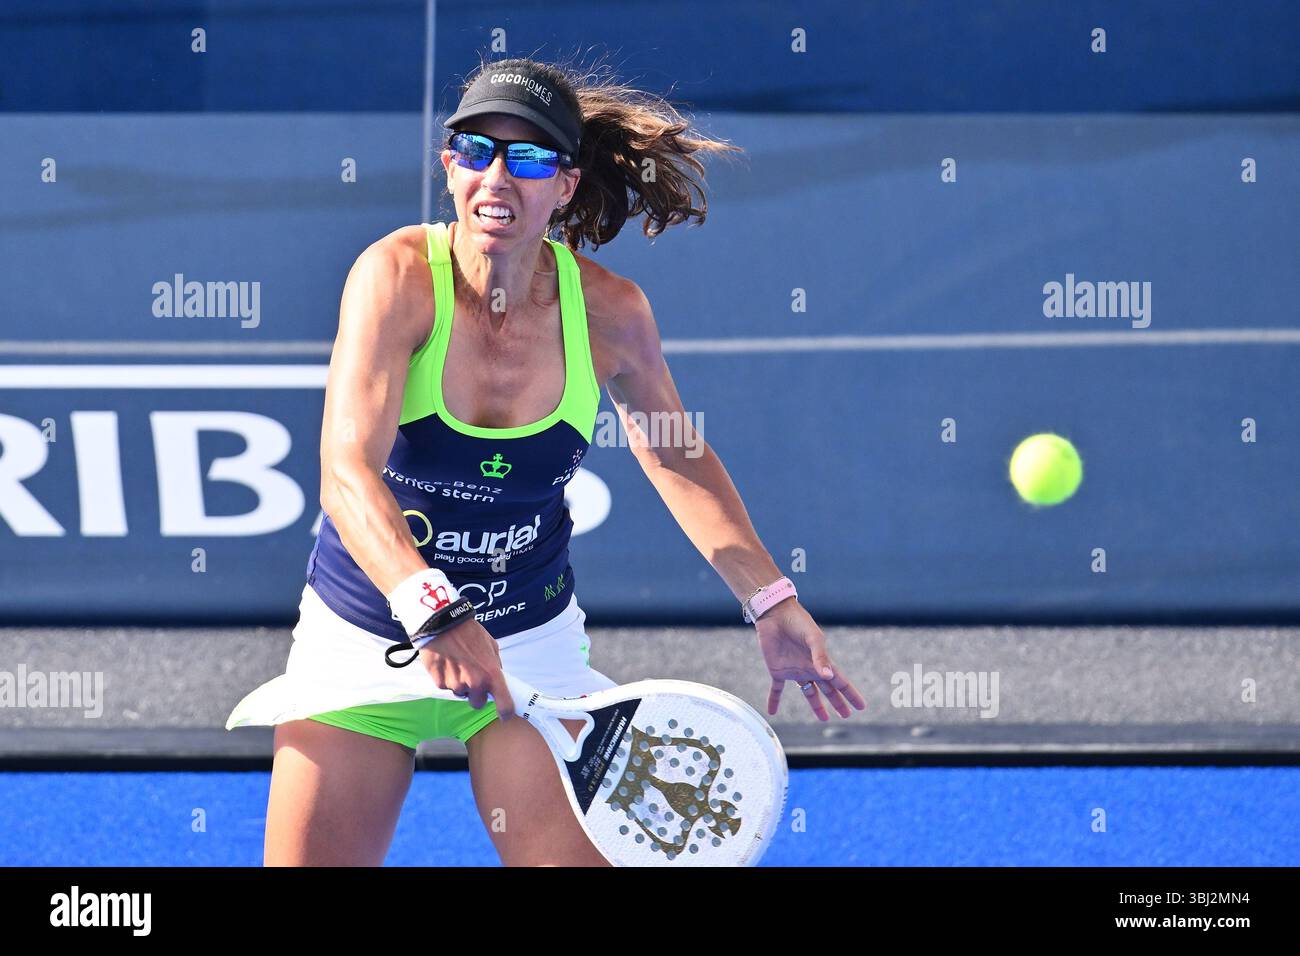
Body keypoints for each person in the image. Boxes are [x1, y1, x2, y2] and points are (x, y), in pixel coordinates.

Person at [227, 56, 865, 867]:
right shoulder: (393, 279)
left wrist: (771, 600)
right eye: (476, 150)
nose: (498, 175)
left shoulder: (610, 313)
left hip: (527, 646)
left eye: (527, 158)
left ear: (564, 185)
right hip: (367, 633)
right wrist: (437, 611)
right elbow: (346, 472)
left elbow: (676, 456)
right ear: (449, 165)